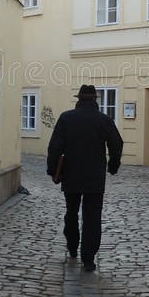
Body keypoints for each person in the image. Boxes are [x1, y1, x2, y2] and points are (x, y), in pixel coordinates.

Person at [47, 85, 123, 272]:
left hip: (71, 174)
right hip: (95, 177)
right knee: (92, 217)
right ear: (95, 100)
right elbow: (117, 144)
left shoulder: (66, 118)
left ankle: (72, 246)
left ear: (78, 99)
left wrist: (52, 170)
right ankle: (88, 258)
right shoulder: (103, 120)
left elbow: (54, 146)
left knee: (71, 212)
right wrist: (112, 167)